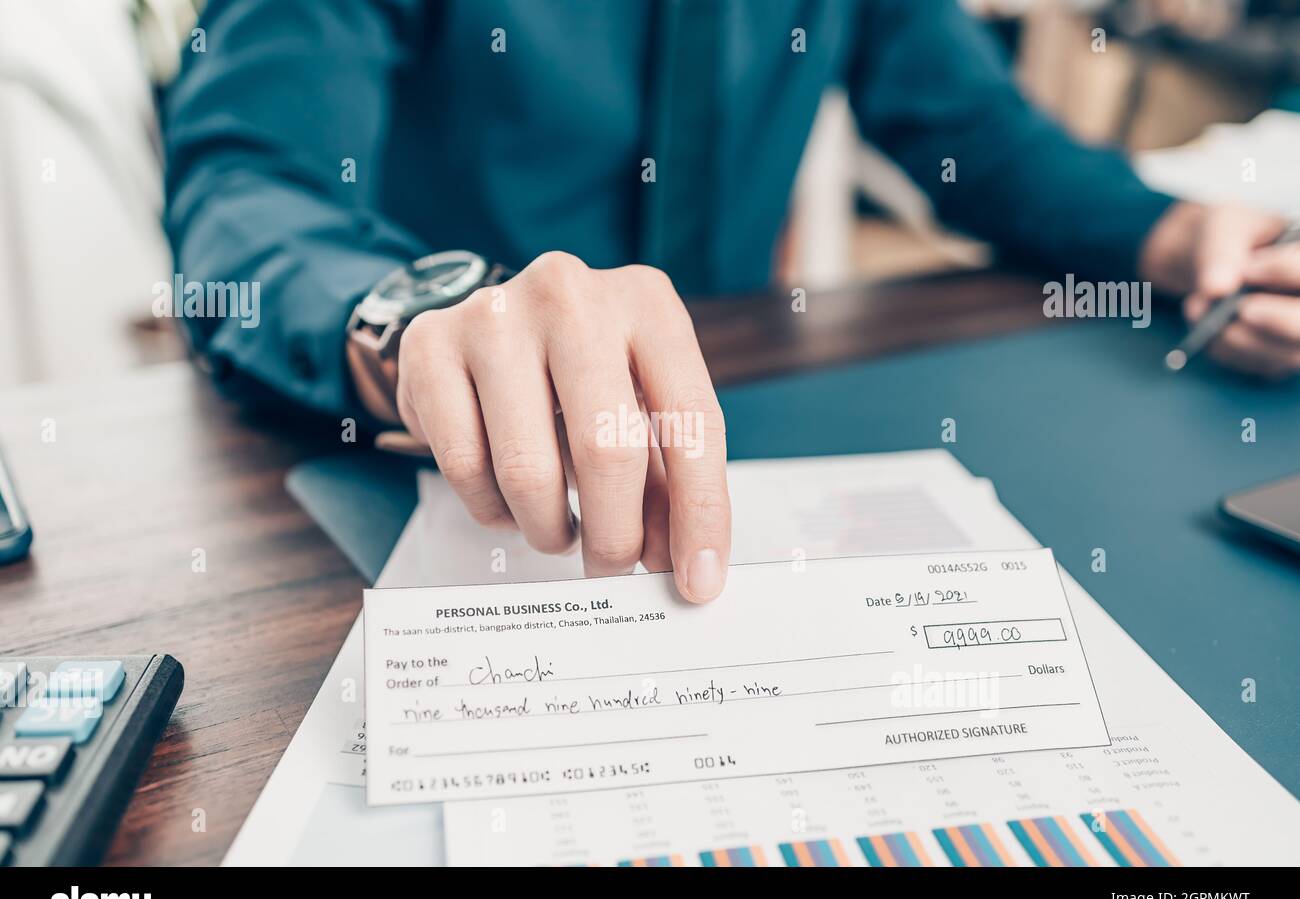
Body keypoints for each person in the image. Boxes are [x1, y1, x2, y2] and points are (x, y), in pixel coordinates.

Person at [163, 0, 1300, 605]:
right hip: (407, 468)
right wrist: (407, 315)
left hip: (746, 422)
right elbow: (244, 176)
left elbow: (971, 135)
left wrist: (1162, 229)